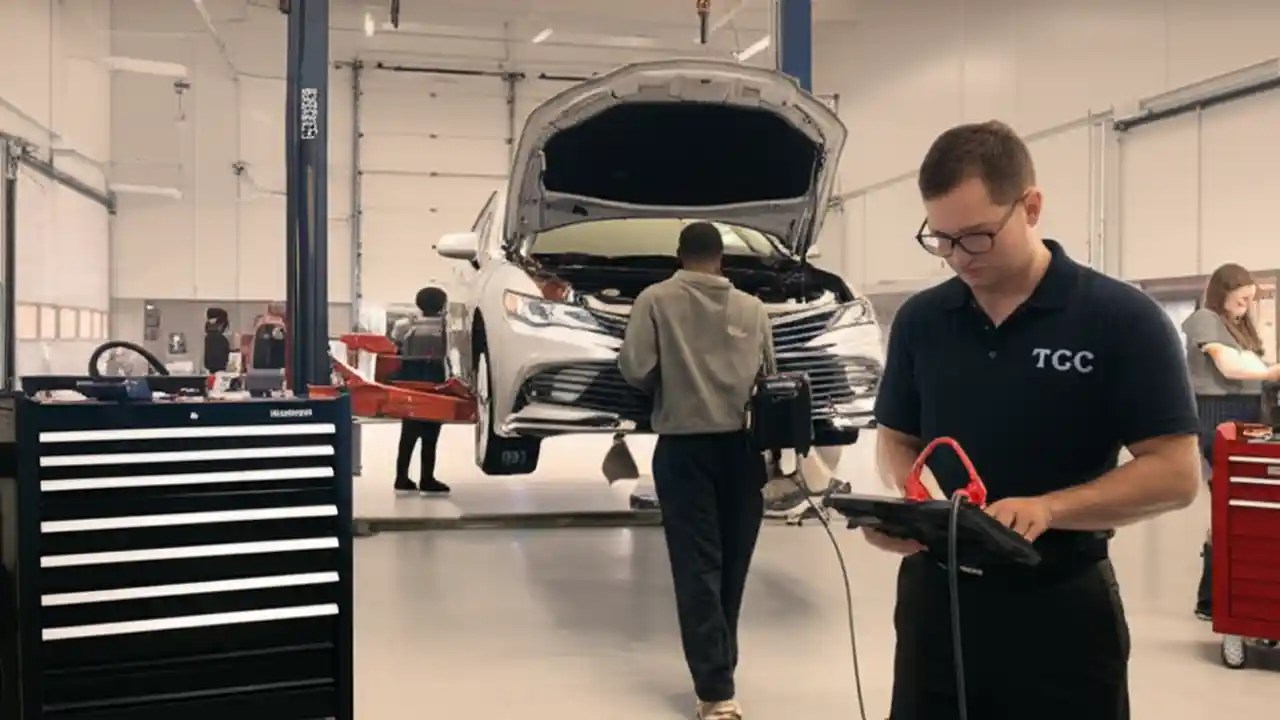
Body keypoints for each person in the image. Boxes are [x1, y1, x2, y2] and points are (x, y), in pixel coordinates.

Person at [870, 120, 1202, 719]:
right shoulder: (923, 320)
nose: (955, 258)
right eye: (939, 239)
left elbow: (1175, 474)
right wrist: (916, 505)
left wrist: (1050, 509)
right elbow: (898, 435)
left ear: (1032, 206)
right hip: (935, 605)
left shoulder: (1121, 320)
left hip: (1060, 605)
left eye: (975, 237)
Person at [618, 221, 774, 720]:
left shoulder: (655, 300)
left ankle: (716, 690)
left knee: (696, 565)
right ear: (722, 258)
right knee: (734, 564)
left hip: (683, 451)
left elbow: (636, 367)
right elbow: (771, 377)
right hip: (742, 452)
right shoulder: (753, 308)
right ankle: (721, 671)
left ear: (679, 255)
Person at [1181, 264, 1280, 620]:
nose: (1246, 306)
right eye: (1241, 299)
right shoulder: (1204, 319)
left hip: (1252, 418)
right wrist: (1272, 372)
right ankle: (1211, 599)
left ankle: (1239, 594)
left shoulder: (1241, 328)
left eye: (1251, 301)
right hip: (1219, 418)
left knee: (1247, 508)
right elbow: (1229, 366)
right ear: (1223, 291)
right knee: (1229, 505)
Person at [391, 286, 452, 496]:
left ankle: (401, 476)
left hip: (410, 381)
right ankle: (427, 477)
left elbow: (396, 347)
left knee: (407, 433)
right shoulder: (448, 327)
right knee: (430, 434)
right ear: (443, 304)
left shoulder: (405, 325)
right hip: (435, 382)